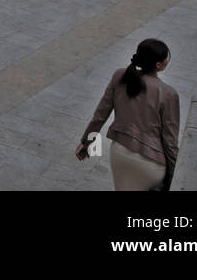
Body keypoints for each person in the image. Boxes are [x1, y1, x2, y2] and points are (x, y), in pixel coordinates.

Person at [77, 39, 179, 192]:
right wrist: (175, 173)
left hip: (120, 154)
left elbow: (100, 116)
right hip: (151, 164)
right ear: (158, 65)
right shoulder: (168, 94)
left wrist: (86, 143)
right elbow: (169, 141)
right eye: (166, 59)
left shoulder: (120, 76)